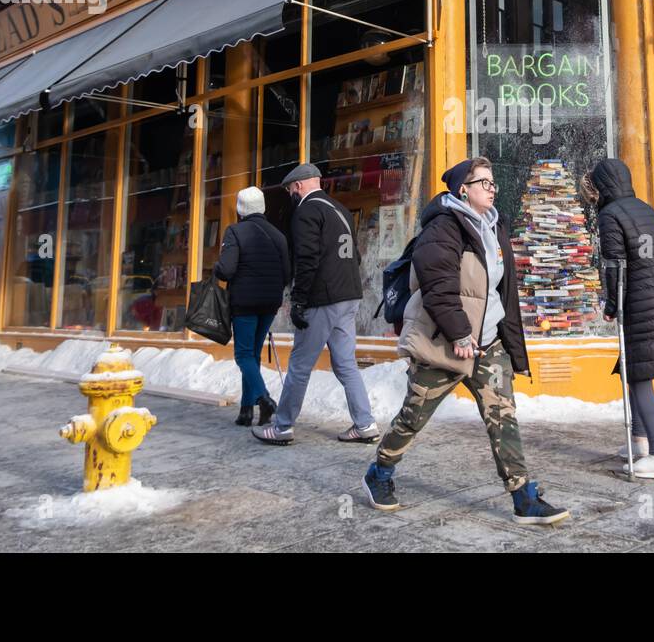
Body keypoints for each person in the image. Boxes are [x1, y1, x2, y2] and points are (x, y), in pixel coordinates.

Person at [362, 157, 569, 525]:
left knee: (503, 417)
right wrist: (459, 333)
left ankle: (523, 497)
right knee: (414, 415)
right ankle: (379, 472)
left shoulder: (495, 225)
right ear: (463, 189)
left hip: (487, 344)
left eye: (493, 183)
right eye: (484, 182)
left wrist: (510, 345)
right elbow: (437, 283)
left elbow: (505, 293)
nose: (492, 189)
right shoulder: (444, 226)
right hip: (447, 342)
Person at [253, 163, 378, 445]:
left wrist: (298, 300)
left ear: (298, 186)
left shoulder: (307, 211)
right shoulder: (341, 209)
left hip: (323, 297)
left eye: (289, 190)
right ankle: (365, 423)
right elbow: (354, 256)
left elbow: (307, 258)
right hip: (349, 294)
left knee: (299, 363)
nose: (290, 195)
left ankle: (282, 426)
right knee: (346, 362)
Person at [584, 158, 654, 481]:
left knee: (638, 375)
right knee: (633, 370)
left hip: (643, 303)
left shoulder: (609, 215)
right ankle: (642, 442)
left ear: (602, 186)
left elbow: (616, 267)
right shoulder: (646, 209)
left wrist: (611, 306)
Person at [214, 186, 291, 427]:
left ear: (240, 209)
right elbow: (287, 274)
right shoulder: (278, 235)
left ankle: (264, 398)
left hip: (244, 303)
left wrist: (216, 268)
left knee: (243, 355)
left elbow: (226, 270)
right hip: (269, 303)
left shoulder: (235, 232)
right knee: (253, 355)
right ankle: (246, 411)